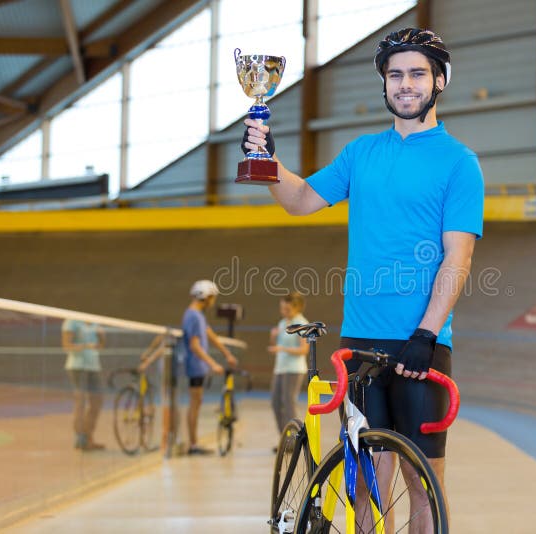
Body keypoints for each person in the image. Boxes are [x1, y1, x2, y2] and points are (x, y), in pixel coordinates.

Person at [243, 27, 484, 528]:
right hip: (360, 339)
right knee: (364, 483)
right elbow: (300, 201)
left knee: (424, 483)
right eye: (395, 75)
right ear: (385, 84)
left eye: (417, 73)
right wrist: (267, 159)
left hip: (422, 343)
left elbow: (456, 258)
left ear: (440, 80)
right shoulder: (361, 152)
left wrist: (426, 333)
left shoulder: (459, 162)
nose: (405, 84)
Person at [182, 280, 239, 455]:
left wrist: (226, 353)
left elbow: (210, 335)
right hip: (195, 366)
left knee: (196, 403)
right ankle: (193, 444)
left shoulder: (196, 315)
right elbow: (195, 345)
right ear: (205, 297)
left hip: (198, 366)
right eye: (212, 297)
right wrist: (212, 363)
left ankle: (194, 443)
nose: (214, 301)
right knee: (195, 403)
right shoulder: (193, 316)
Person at [268, 292, 309, 439]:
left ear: (297, 308)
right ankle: (285, 440)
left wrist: (283, 349)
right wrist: (273, 337)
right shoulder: (282, 322)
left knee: (288, 404)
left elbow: (304, 350)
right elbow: (275, 347)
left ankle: (294, 440)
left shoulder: (301, 323)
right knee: (275, 403)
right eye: (282, 309)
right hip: (280, 368)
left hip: (294, 369)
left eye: (287, 309)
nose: (284, 312)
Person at [61, 319, 106, 451]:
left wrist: (102, 337)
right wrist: (86, 346)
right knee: (81, 402)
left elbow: (100, 346)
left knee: (97, 402)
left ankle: (88, 436)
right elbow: (66, 346)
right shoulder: (71, 322)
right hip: (77, 367)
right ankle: (80, 438)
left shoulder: (95, 322)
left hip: (94, 366)